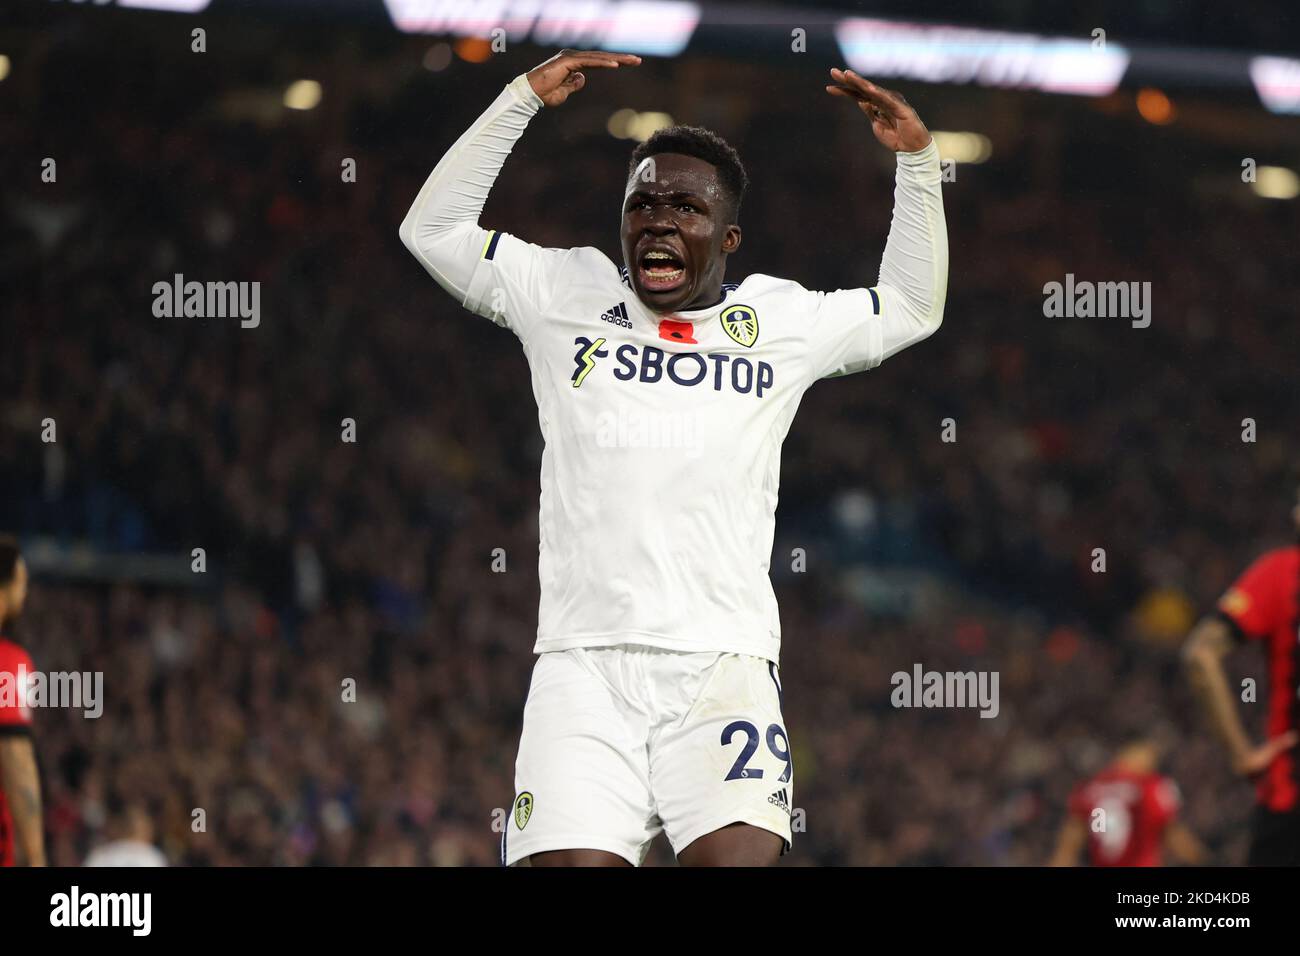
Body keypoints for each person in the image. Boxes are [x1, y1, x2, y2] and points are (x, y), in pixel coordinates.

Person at [400, 50, 947, 866]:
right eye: (642, 203)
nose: (657, 220)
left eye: (685, 208)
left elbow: (910, 306)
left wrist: (917, 164)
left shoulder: (779, 322)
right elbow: (431, 230)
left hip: (721, 672)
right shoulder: (565, 294)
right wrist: (518, 101)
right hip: (584, 671)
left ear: (727, 236)